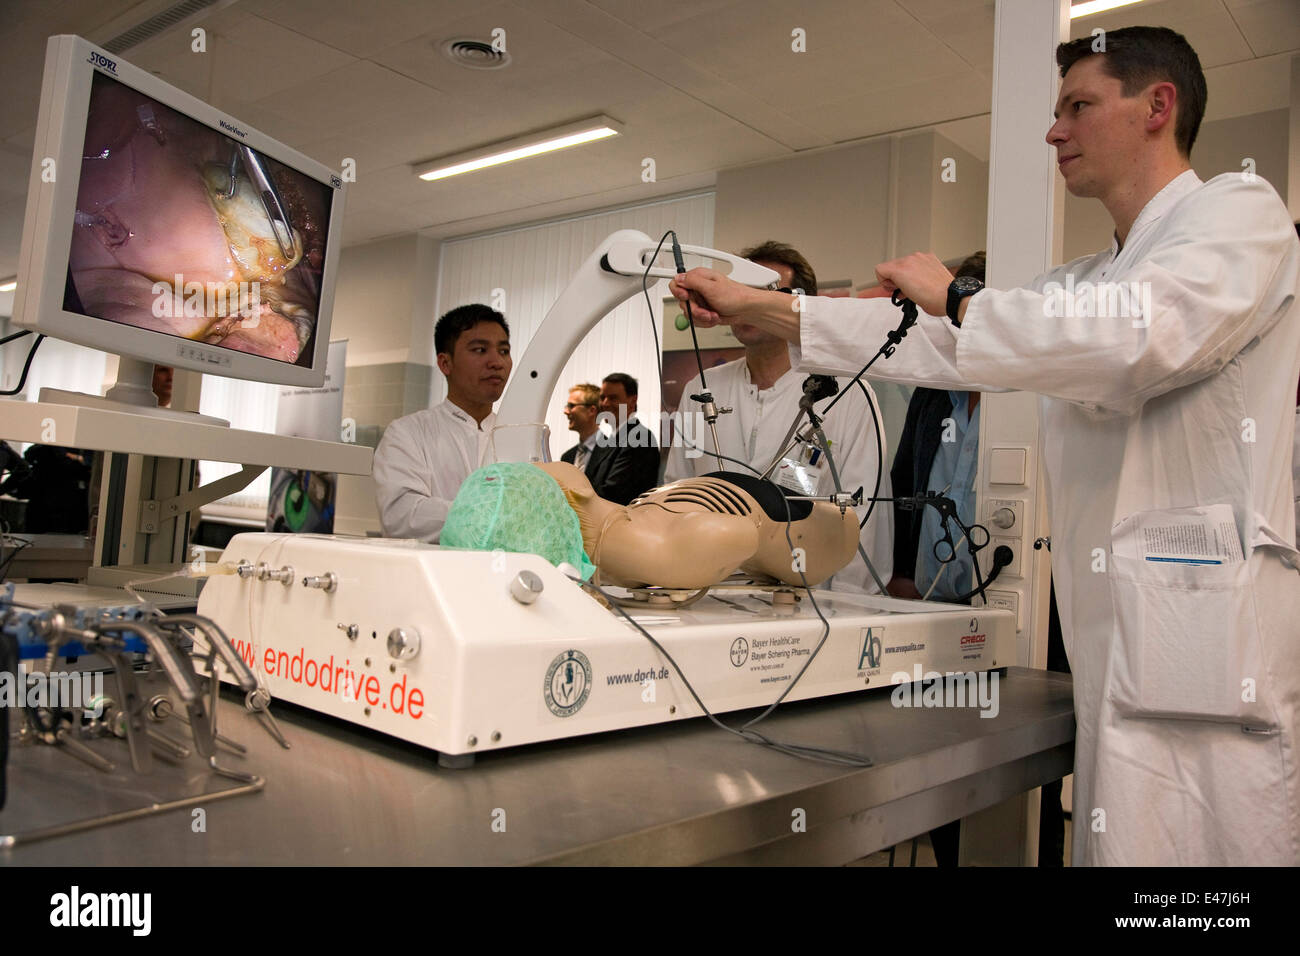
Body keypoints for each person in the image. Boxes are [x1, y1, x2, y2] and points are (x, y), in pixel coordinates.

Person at [670, 26, 1300, 866]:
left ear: (1159, 106)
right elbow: (930, 342)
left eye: (1078, 106)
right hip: (1125, 638)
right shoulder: (1082, 280)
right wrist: (768, 308)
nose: (1054, 132)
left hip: (1207, 635)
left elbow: (1141, 338)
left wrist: (961, 295)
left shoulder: (1239, 213)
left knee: (1212, 874)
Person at [665, 240, 894, 593]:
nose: (748, 302)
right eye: (741, 290)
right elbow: (676, 495)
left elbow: (864, 518)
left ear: (800, 305)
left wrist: (849, 611)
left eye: (767, 292)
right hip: (708, 596)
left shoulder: (847, 393)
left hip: (810, 604)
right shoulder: (702, 388)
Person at [887, 251, 985, 604]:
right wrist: (898, 573)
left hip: (1002, 595)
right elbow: (904, 481)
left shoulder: (1027, 400)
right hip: (927, 598)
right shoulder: (932, 393)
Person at [373, 304, 511, 541]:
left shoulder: (517, 436)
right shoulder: (408, 433)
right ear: (445, 363)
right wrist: (494, 517)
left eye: (503, 350)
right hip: (433, 574)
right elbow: (402, 516)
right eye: (480, 350)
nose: (496, 362)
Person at [576, 372, 660, 505]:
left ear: (632, 401)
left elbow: (613, 493)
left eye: (613, 398)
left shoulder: (640, 439)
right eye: (602, 397)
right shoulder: (612, 440)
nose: (605, 403)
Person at [560, 383, 601, 476]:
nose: (565, 411)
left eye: (571, 406)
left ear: (592, 410)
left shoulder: (611, 452)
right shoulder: (567, 458)